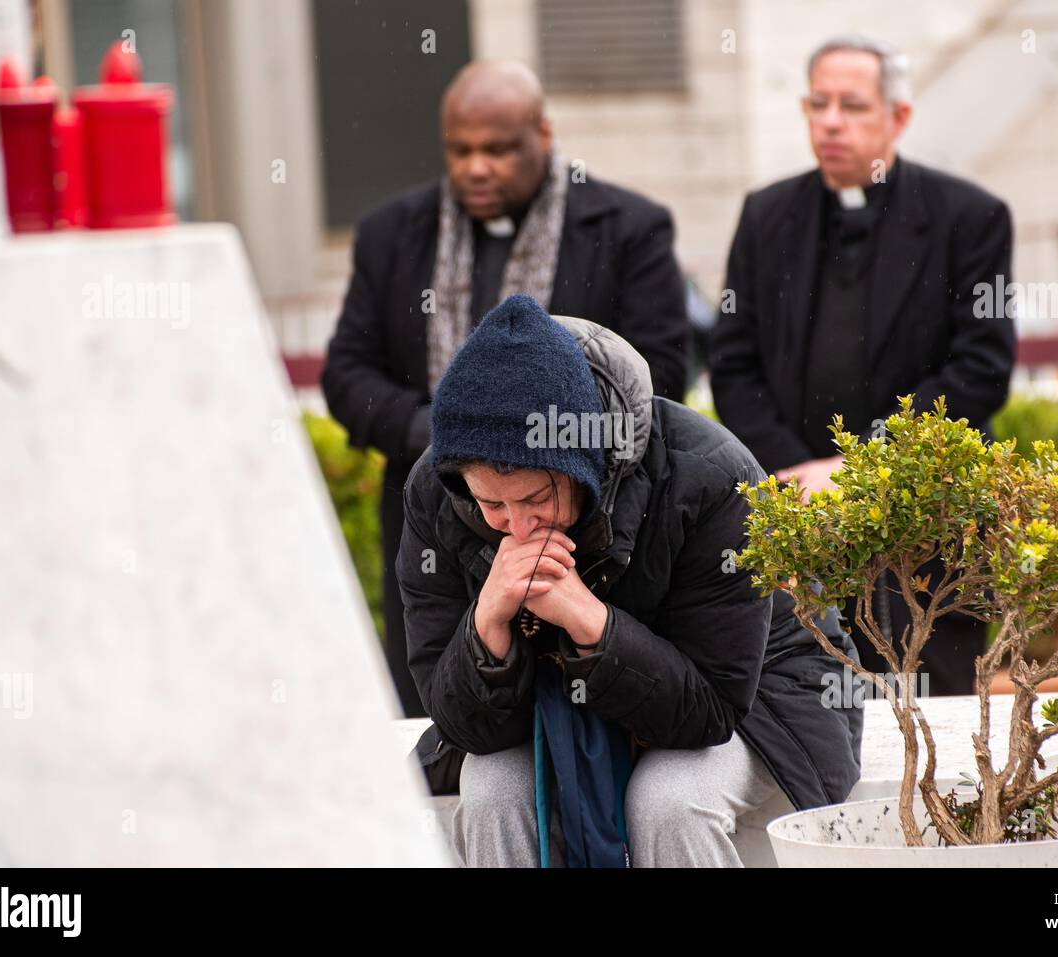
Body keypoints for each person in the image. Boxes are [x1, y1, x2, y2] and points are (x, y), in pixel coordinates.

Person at [397, 294, 861, 867]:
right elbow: (459, 719)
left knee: (670, 801)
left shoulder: (711, 477)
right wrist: (486, 629)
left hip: (766, 693)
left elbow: (711, 709)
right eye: (492, 504)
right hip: (556, 699)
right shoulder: (437, 492)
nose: (517, 527)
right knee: (494, 790)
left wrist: (590, 621)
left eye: (537, 499)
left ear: (582, 466)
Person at [321, 61, 690, 716]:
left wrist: (551, 454)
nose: (476, 167)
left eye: (496, 149)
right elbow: (347, 372)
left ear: (542, 134)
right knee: (444, 720)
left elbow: (656, 375)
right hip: (432, 527)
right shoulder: (390, 233)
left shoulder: (629, 229)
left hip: (582, 530)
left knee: (585, 710)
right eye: (460, 151)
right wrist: (450, 445)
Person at [709, 34, 1016, 696]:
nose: (830, 121)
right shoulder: (767, 216)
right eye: (817, 103)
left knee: (937, 714)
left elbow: (983, 368)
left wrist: (861, 468)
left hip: (932, 529)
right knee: (806, 695)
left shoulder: (969, 217)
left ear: (897, 117)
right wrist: (796, 475)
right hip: (800, 517)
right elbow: (731, 363)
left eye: (851, 104)